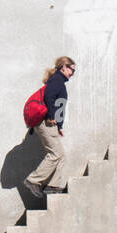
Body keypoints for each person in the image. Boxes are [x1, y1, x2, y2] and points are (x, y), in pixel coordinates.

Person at [23, 56, 76, 199]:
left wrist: (59, 125)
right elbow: (49, 97)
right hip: (46, 122)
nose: (72, 73)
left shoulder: (58, 81)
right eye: (72, 70)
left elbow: (58, 104)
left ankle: (53, 186)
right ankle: (33, 180)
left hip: (50, 124)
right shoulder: (57, 80)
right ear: (63, 67)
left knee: (61, 155)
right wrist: (52, 117)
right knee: (55, 154)